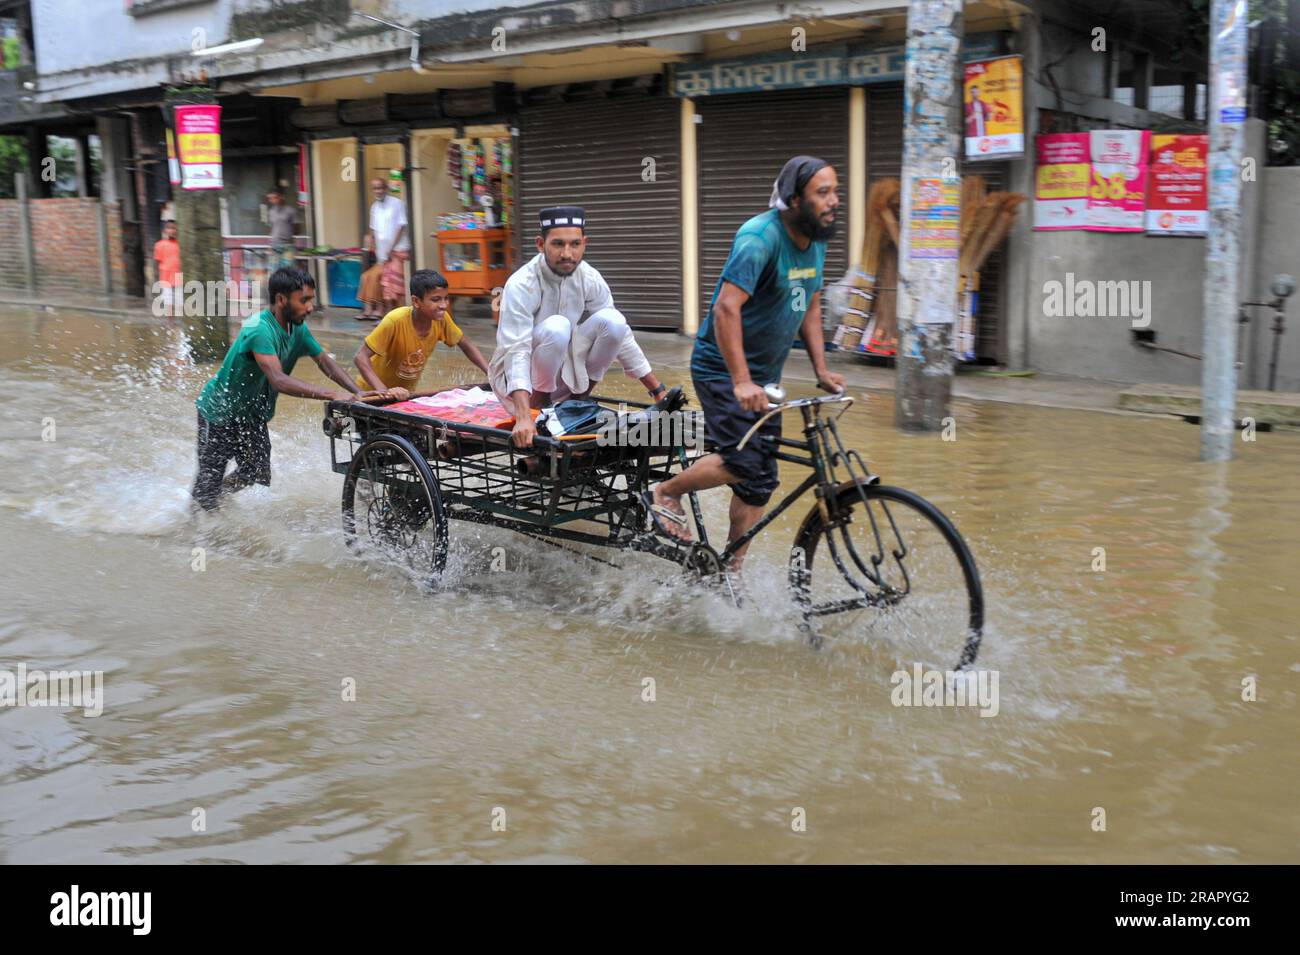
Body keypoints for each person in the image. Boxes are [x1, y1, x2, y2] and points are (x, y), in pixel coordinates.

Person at [647, 156, 846, 570]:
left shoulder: (817, 238)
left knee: (759, 482)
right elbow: (725, 309)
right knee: (744, 461)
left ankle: (730, 570)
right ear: (794, 199)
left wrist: (821, 371)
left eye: (835, 191)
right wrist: (740, 380)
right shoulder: (759, 239)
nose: (834, 201)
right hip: (722, 369)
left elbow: (809, 301)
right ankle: (666, 491)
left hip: (764, 377)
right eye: (823, 193)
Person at [191, 267, 378, 511]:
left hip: (251, 415)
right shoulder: (259, 329)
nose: (311, 307)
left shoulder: (297, 328)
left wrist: (357, 392)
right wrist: (332, 394)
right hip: (218, 413)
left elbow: (324, 361)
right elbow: (278, 379)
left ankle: (218, 499)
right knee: (207, 482)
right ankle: (196, 523)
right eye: (304, 300)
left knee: (255, 472)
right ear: (281, 300)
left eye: (311, 299)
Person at [490, 205, 666, 449]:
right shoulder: (521, 283)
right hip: (516, 387)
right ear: (540, 244)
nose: (567, 253)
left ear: (585, 243)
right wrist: (522, 417)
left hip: (564, 376)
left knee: (613, 321)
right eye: (558, 244)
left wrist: (657, 390)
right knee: (557, 326)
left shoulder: (589, 277)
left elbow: (621, 336)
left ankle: (576, 403)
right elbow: (516, 350)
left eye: (574, 244)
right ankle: (537, 409)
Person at [354, 268, 490, 397]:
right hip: (372, 394)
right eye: (436, 300)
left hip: (404, 396)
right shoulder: (394, 321)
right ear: (416, 301)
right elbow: (360, 358)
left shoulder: (441, 319)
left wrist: (492, 374)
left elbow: (467, 346)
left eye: (446, 298)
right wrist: (385, 392)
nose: (443, 305)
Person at [357, 178, 409, 321]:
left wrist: (391, 248)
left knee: (391, 283)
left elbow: (401, 226)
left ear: (386, 188)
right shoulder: (374, 207)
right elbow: (373, 229)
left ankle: (394, 316)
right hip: (383, 254)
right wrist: (370, 241)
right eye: (375, 188)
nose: (378, 191)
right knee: (374, 279)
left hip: (397, 251)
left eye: (380, 188)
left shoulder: (397, 204)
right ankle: (377, 313)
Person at [153, 219, 181, 317]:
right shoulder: (159, 245)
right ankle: (170, 326)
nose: (171, 231)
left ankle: (181, 327)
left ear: (177, 230)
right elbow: (157, 262)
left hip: (178, 277)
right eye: (168, 228)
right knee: (168, 304)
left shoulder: (180, 244)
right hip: (165, 278)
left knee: (180, 304)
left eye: (173, 228)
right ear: (164, 230)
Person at [266, 189, 297, 271]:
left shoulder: (291, 210)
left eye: (275, 197)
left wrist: (288, 236)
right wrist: (270, 244)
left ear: (281, 197)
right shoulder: (271, 211)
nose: (273, 200)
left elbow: (297, 228)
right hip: (274, 246)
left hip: (287, 246)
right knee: (273, 271)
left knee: (288, 272)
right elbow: (271, 228)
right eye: (271, 198)